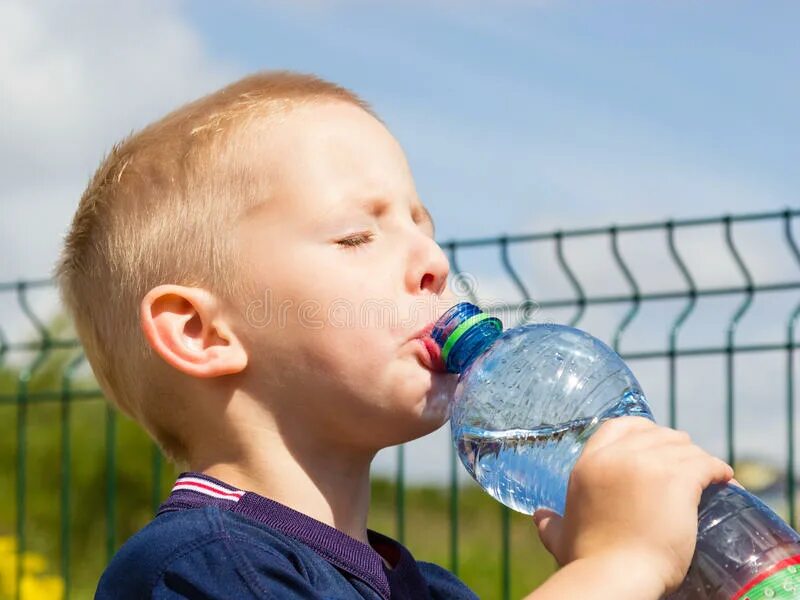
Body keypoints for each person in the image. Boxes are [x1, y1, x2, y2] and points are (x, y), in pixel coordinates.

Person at [55, 71, 734, 599]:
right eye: (357, 235)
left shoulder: (428, 588)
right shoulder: (197, 571)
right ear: (202, 332)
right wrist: (620, 564)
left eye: (426, 230)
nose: (435, 263)